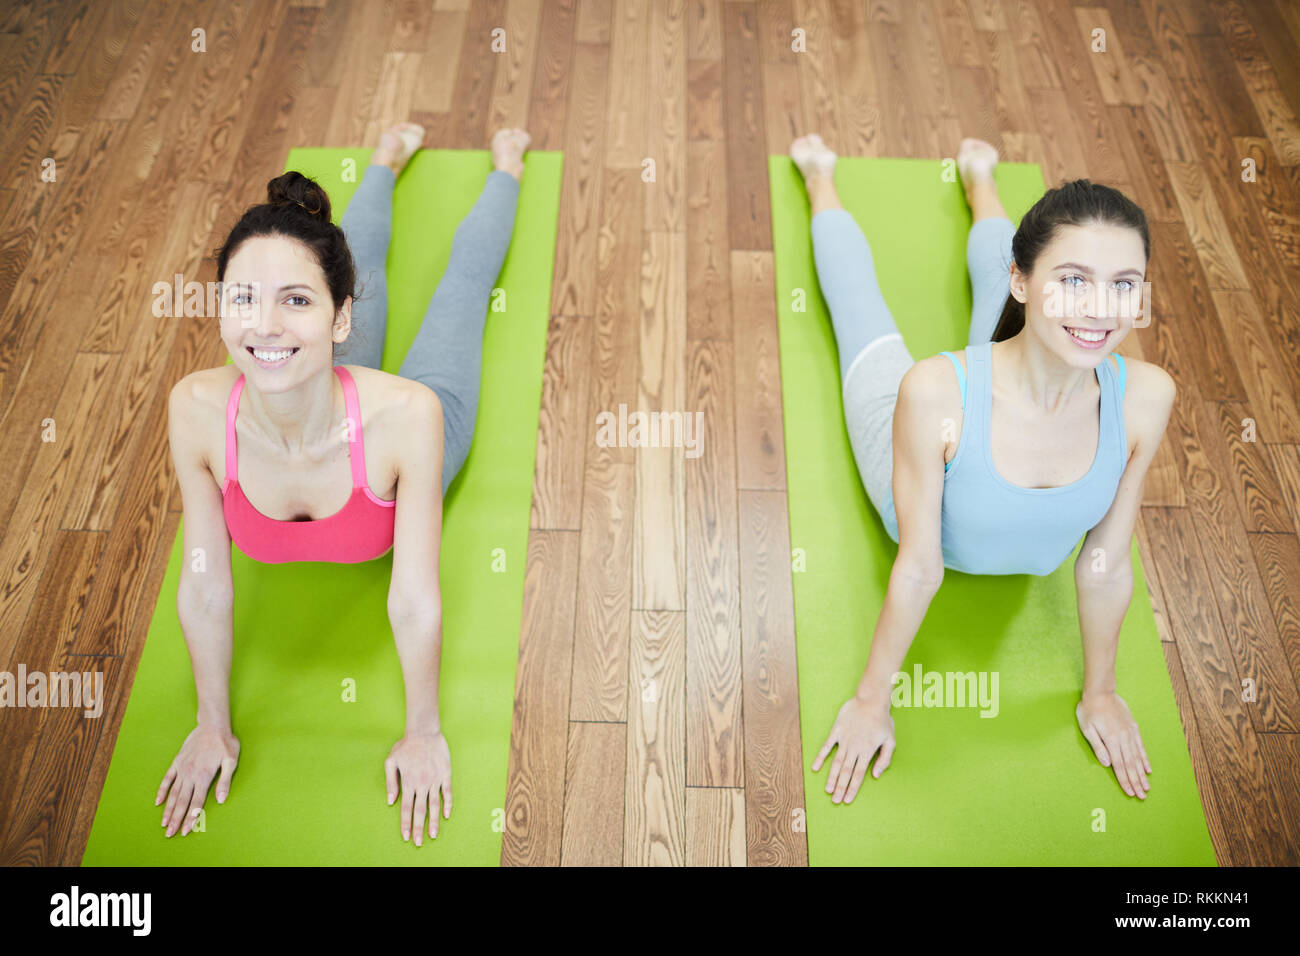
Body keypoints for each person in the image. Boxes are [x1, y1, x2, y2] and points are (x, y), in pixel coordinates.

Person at [159, 122, 531, 845]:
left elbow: (415, 595)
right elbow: (204, 581)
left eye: (297, 300)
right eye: (243, 299)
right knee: (352, 248)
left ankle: (508, 168)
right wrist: (212, 724)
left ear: (338, 319)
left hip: (399, 437)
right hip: (323, 386)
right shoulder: (196, 410)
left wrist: (422, 730)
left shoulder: (413, 414)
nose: (263, 324)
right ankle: (385, 162)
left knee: (461, 290)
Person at [791, 134, 1176, 807]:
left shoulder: (1146, 397)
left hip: (999, 372)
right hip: (912, 458)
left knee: (1000, 341)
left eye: (1124, 285)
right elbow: (919, 566)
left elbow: (1107, 561)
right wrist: (869, 700)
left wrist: (1102, 691)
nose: (1099, 310)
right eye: (1073, 280)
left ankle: (979, 180)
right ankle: (820, 176)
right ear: (1022, 279)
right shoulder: (932, 392)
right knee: (860, 316)